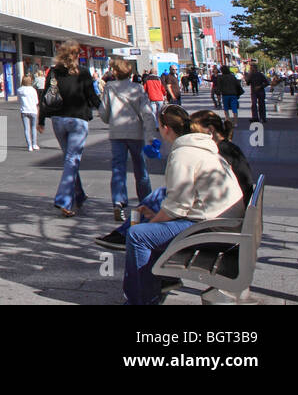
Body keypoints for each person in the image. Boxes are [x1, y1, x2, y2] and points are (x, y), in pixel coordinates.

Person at [117, 105, 244, 305]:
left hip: (212, 230)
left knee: (137, 235)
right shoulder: (202, 147)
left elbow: (178, 206)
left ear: (166, 128)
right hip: (224, 224)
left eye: (159, 127)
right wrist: (156, 218)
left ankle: (140, 300)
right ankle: (156, 286)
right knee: (148, 231)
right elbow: (184, 203)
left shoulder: (182, 154)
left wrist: (154, 222)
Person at [37, 40, 101, 217]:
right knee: (72, 159)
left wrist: (41, 119)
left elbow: (46, 95)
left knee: (69, 160)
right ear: (77, 54)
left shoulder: (54, 72)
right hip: (77, 120)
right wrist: (105, 111)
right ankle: (63, 200)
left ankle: (78, 195)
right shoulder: (83, 72)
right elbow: (92, 96)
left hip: (58, 120)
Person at [98, 57, 154, 221]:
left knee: (118, 169)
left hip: (116, 133)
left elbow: (103, 112)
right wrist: (150, 135)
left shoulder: (109, 87)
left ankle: (118, 202)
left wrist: (110, 119)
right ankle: (146, 202)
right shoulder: (137, 88)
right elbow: (147, 113)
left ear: (115, 72)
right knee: (140, 168)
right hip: (135, 133)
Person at [17, 75, 40, 151]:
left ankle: (29, 145)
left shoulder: (19, 90)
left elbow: (19, 101)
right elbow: (36, 101)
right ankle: (34, 144)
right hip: (33, 110)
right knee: (33, 127)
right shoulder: (33, 90)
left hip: (24, 110)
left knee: (26, 129)